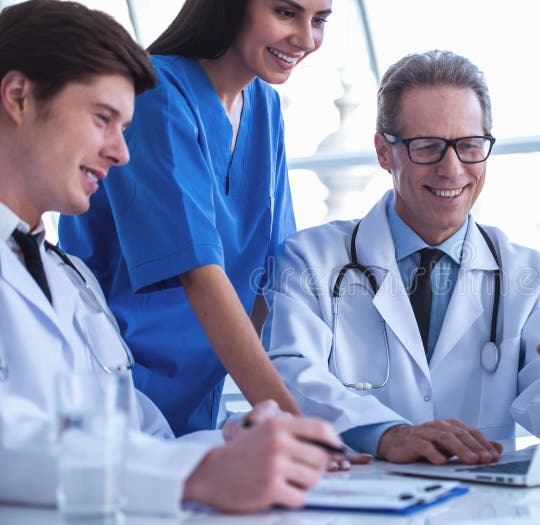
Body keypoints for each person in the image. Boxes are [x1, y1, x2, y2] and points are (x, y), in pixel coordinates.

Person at [0, 0, 340, 515]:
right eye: (102, 119)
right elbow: (17, 440)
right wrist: (205, 469)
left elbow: (138, 431)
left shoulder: (69, 281)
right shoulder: (167, 95)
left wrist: (254, 445)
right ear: (18, 97)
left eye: (320, 20)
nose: (122, 153)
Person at [261, 50, 540, 464]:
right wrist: (386, 433)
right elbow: (288, 376)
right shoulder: (310, 261)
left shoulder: (531, 276)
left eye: (469, 146)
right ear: (384, 152)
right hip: (357, 497)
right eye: (427, 147)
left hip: (482, 501)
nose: (452, 169)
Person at [58, 0, 334, 436]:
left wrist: (301, 412)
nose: (305, 39)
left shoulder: (265, 106)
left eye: (319, 20)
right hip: (116, 386)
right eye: (285, 12)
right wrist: (296, 425)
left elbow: (272, 281)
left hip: (198, 402)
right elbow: (198, 272)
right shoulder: (155, 93)